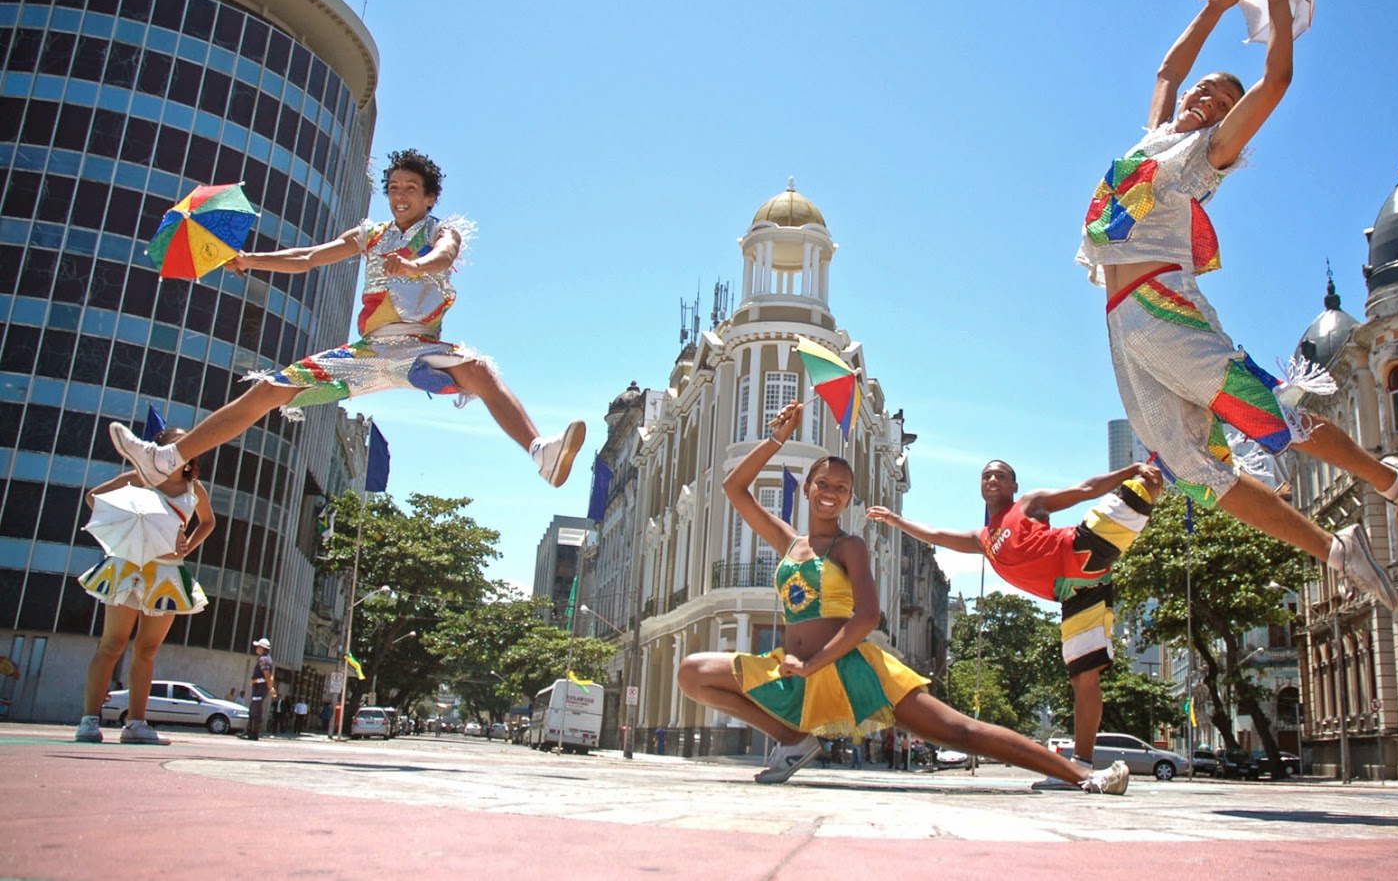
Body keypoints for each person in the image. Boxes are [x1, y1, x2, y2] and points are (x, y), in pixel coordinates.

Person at [1075, 0, 1398, 610]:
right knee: (1193, 472)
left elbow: (1276, 81)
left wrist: (1275, 3)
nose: (1203, 96)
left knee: (1264, 410)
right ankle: (1336, 549)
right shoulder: (1154, 138)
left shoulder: (1201, 156)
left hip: (1164, 308)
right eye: (1203, 90)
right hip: (1122, 322)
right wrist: (1213, 11)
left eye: (1220, 98)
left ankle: (1392, 481)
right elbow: (1167, 70)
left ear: (1227, 123)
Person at [677, 400, 1131, 793]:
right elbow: (734, 488)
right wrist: (775, 440)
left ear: (850, 496)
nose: (831, 493)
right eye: (823, 484)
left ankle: (1079, 773)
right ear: (808, 488)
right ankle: (792, 739)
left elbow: (867, 618)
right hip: (792, 670)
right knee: (693, 673)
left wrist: (814, 664)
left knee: (961, 731)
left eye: (842, 487)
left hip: (853, 671)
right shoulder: (788, 543)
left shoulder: (848, 546)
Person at [105, 149, 585, 491]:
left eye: (410, 189)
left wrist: (414, 265)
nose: (400, 195)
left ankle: (541, 453)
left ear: (430, 197)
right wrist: (252, 260)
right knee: (268, 390)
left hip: (418, 350)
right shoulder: (370, 234)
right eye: (393, 187)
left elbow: (443, 255)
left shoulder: (443, 230)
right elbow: (310, 257)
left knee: (478, 370)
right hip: (367, 353)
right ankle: (166, 456)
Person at [870, 460, 1159, 789]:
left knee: (1137, 493)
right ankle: (1080, 766)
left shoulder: (1029, 504)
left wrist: (1130, 470)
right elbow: (937, 535)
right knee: (1083, 677)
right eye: (986, 476)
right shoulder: (983, 538)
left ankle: (1157, 467)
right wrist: (896, 520)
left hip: (1082, 548)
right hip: (1077, 592)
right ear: (981, 486)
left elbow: (1084, 490)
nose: (992, 479)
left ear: (1014, 486)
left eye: (1001, 475)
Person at [74, 428, 214, 745]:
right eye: (170, 445)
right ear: (157, 450)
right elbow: (93, 498)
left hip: (167, 573)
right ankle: (89, 720)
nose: (178, 450)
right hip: (130, 565)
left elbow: (208, 521)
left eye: (185, 445)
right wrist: (128, 522)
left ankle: (136, 723)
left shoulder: (195, 488)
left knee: (147, 650)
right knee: (112, 643)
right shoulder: (139, 477)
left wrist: (188, 546)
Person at [245, 638, 274, 740]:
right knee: (253, 709)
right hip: (258, 688)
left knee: (256, 710)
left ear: (262, 648)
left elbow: (267, 675)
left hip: (259, 688)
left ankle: (253, 733)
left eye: (258, 646)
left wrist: (269, 687)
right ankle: (250, 731)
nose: (256, 648)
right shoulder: (264, 658)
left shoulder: (263, 660)